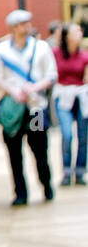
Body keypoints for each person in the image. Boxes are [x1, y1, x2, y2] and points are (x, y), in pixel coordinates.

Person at [0, 9, 58, 206]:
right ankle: (20, 192)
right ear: (13, 27)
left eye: (28, 22)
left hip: (36, 107)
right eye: (22, 23)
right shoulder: (1, 50)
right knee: (14, 151)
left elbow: (51, 75)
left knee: (40, 148)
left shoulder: (41, 48)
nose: (27, 26)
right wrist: (13, 91)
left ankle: (46, 185)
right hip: (13, 109)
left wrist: (34, 87)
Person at [53, 21, 88, 186]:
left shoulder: (85, 55)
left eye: (80, 32)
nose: (79, 35)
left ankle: (80, 172)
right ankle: (66, 171)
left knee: (83, 136)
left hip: (81, 96)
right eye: (75, 32)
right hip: (63, 95)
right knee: (67, 134)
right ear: (66, 36)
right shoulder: (55, 54)